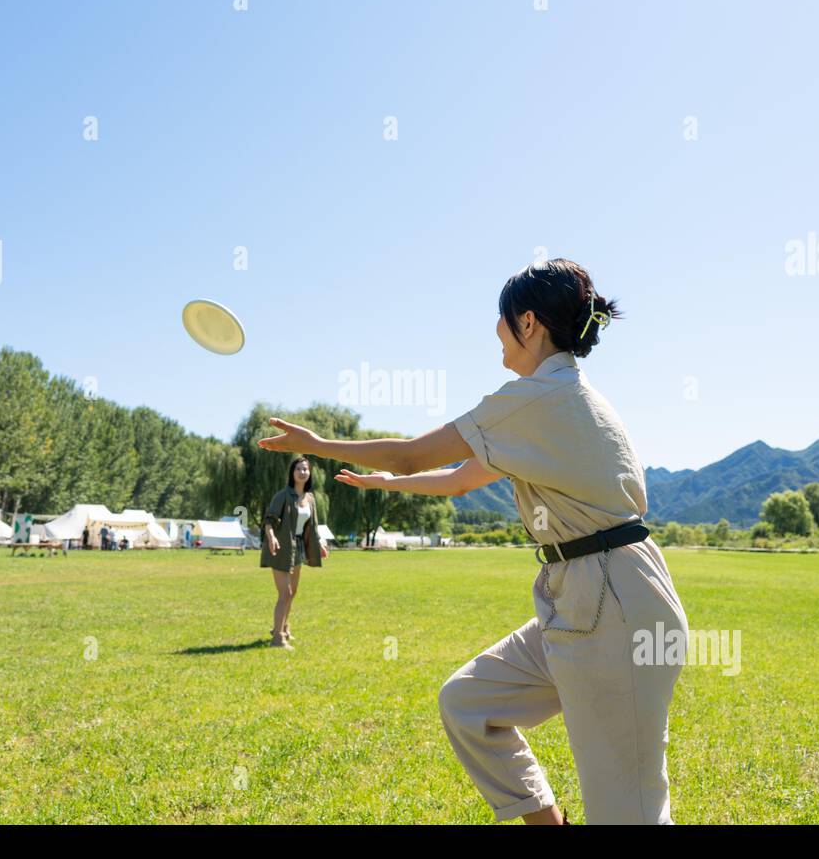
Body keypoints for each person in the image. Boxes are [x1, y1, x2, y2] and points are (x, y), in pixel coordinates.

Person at [258, 259, 688, 824]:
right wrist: (394, 481)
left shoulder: (536, 397)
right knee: (469, 703)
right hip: (585, 595)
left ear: (527, 323)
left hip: (613, 605)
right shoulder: (556, 400)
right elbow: (461, 477)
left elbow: (415, 451)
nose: (498, 339)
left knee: (626, 810)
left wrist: (320, 444)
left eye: (501, 324)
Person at [259, 456, 329, 648]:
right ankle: (277, 639)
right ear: (292, 473)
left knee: (293, 592)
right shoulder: (283, 495)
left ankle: (283, 627)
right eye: (298, 469)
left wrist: (320, 543)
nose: (302, 472)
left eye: (305, 469)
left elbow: (312, 526)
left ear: (310, 473)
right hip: (281, 547)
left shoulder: (311, 499)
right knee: (285, 592)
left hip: (298, 548)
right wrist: (271, 537)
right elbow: (269, 520)